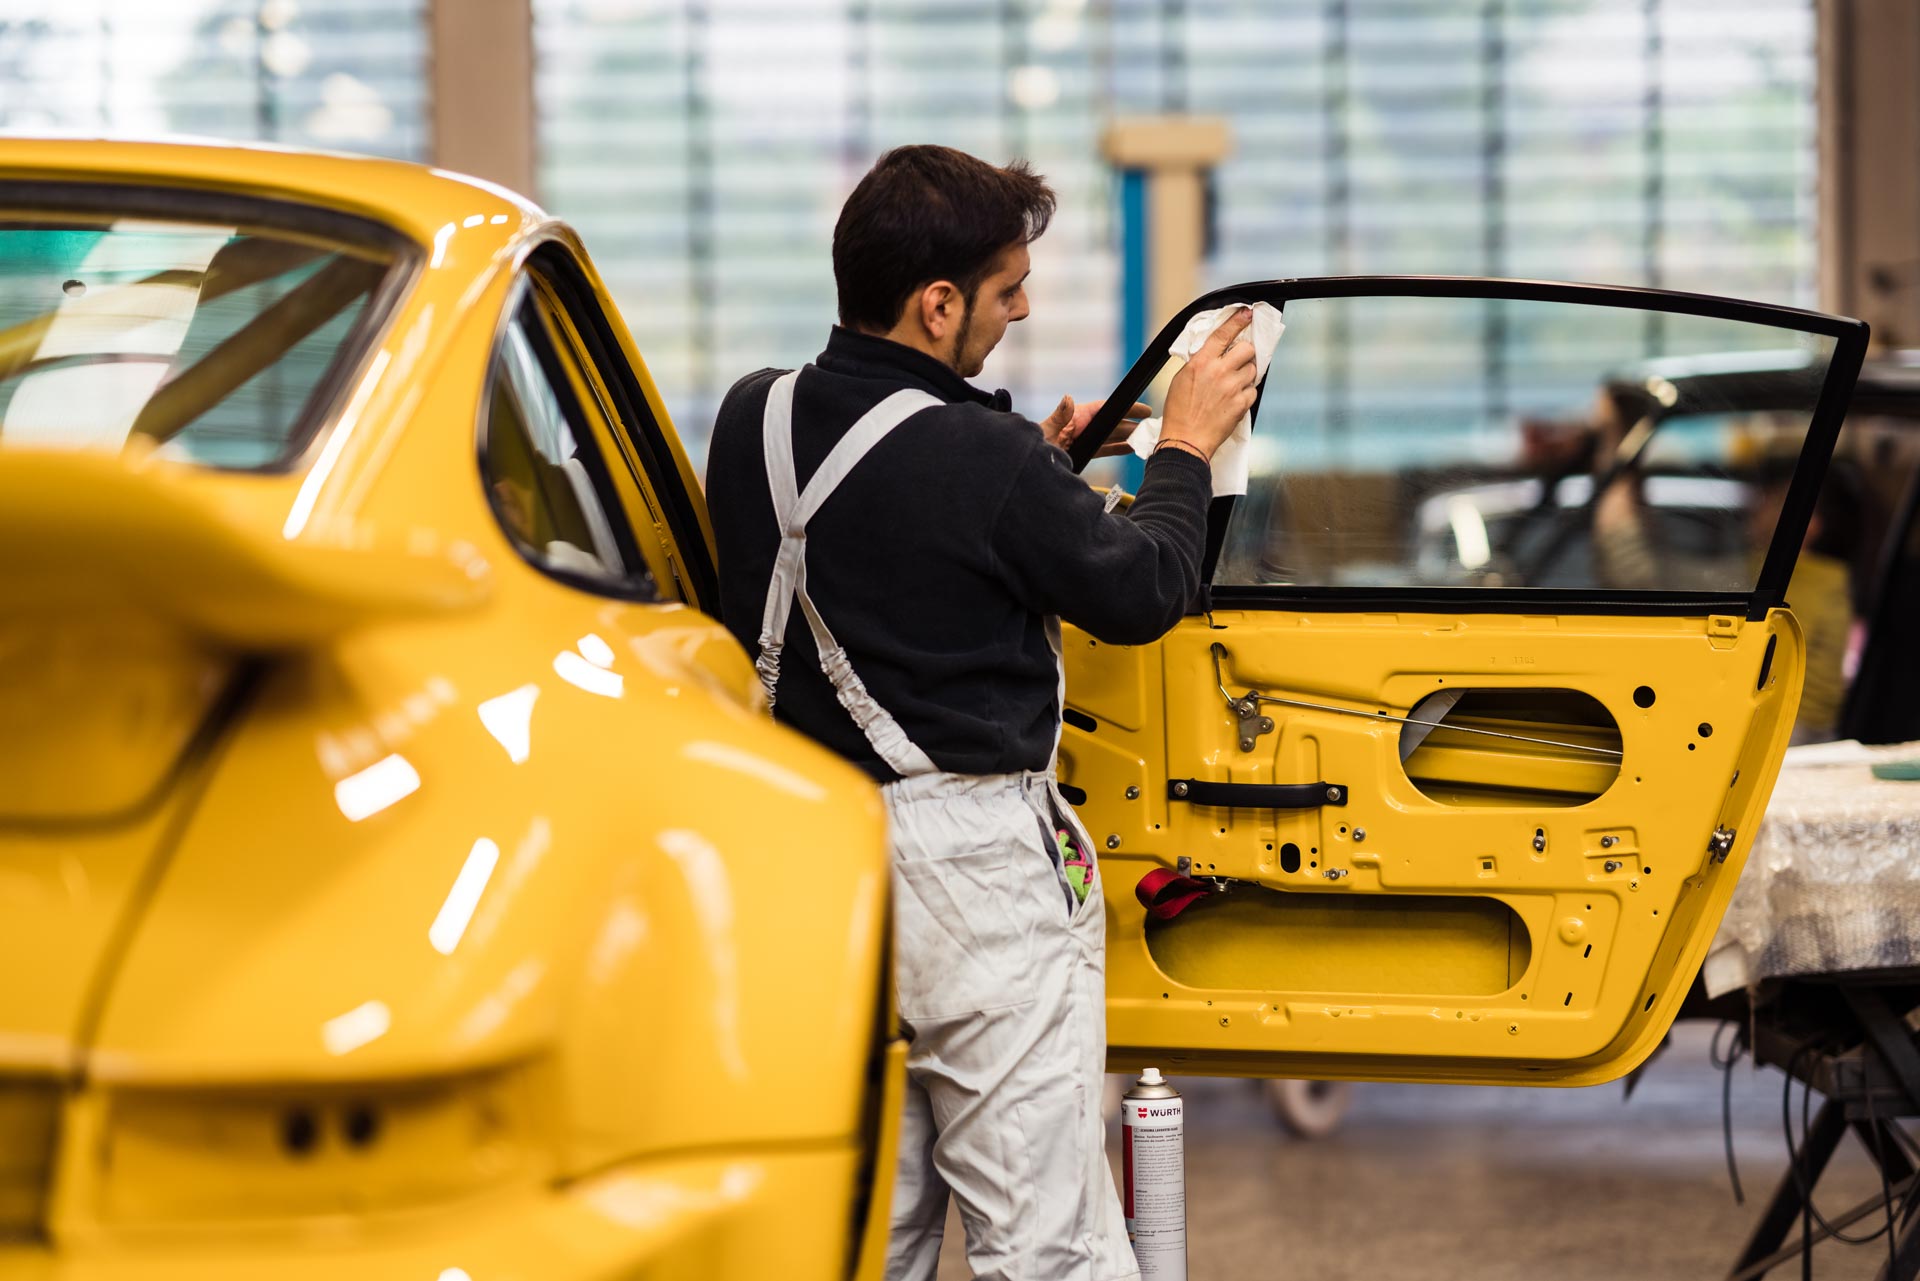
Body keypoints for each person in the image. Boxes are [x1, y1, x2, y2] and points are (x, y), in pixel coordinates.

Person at [705, 144, 1255, 1281]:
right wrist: (1186, 447)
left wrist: (1049, 467)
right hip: (972, 876)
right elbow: (1144, 591)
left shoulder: (750, 417)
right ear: (937, 301)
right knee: (1043, 1242)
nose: (1020, 308)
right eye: (1007, 290)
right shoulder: (984, 460)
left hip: (806, 870)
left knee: (858, 1236)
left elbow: (893, 535)